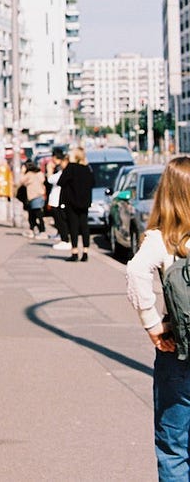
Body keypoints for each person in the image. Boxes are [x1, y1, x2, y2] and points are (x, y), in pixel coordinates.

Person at [125, 156, 190, 479]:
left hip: (178, 350)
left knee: (174, 447)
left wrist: (153, 326)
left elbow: (136, 271)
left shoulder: (163, 238)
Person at [59, 147, 94, 262]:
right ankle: (85, 252)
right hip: (84, 202)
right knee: (84, 226)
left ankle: (74, 252)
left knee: (73, 226)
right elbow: (93, 182)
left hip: (72, 202)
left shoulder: (71, 168)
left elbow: (61, 182)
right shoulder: (87, 169)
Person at [48, 150, 71, 250]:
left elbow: (51, 180)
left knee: (61, 221)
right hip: (57, 199)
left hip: (59, 199)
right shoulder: (60, 170)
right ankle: (62, 237)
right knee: (59, 220)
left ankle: (65, 240)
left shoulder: (63, 172)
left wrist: (49, 170)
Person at [20, 161, 47, 239]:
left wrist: (22, 172)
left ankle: (41, 230)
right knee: (35, 214)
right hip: (40, 195)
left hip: (33, 196)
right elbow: (43, 180)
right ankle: (35, 229)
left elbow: (21, 181)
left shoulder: (28, 175)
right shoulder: (39, 173)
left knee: (35, 215)